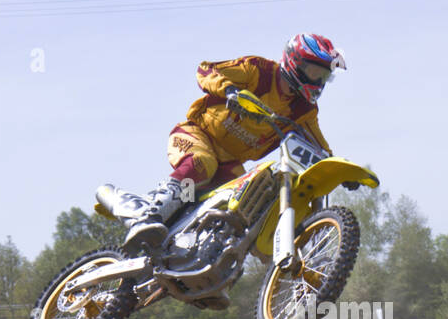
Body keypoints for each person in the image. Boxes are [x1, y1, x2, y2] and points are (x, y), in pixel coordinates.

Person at [97, 34, 346, 252]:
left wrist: (338, 170)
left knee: (247, 203)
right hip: (196, 135)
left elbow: (319, 145)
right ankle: (147, 213)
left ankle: (204, 259)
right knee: (202, 164)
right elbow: (205, 70)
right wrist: (229, 90)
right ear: (296, 62)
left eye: (324, 75)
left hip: (229, 164)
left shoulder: (304, 110)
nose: (319, 81)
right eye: (315, 72)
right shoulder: (259, 71)